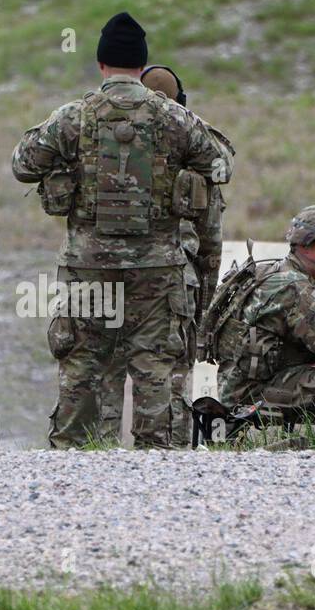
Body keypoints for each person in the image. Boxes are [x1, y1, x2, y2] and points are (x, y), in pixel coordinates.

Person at [12, 13, 232, 448]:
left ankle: (76, 458)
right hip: (158, 270)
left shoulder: (73, 117)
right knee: (156, 368)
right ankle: (158, 460)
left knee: (83, 366)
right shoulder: (174, 118)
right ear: (142, 65)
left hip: (88, 268)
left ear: (101, 64)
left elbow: (23, 164)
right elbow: (221, 165)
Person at [97, 65, 233, 446]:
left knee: (106, 371)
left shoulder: (109, 144)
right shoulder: (194, 153)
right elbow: (211, 244)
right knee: (168, 377)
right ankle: (164, 457)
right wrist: (203, 311)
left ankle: (97, 453)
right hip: (173, 281)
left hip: (106, 273)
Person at [208, 205, 315, 413]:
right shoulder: (295, 288)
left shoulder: (274, 271)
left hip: (240, 388)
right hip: (252, 395)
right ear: (305, 245)